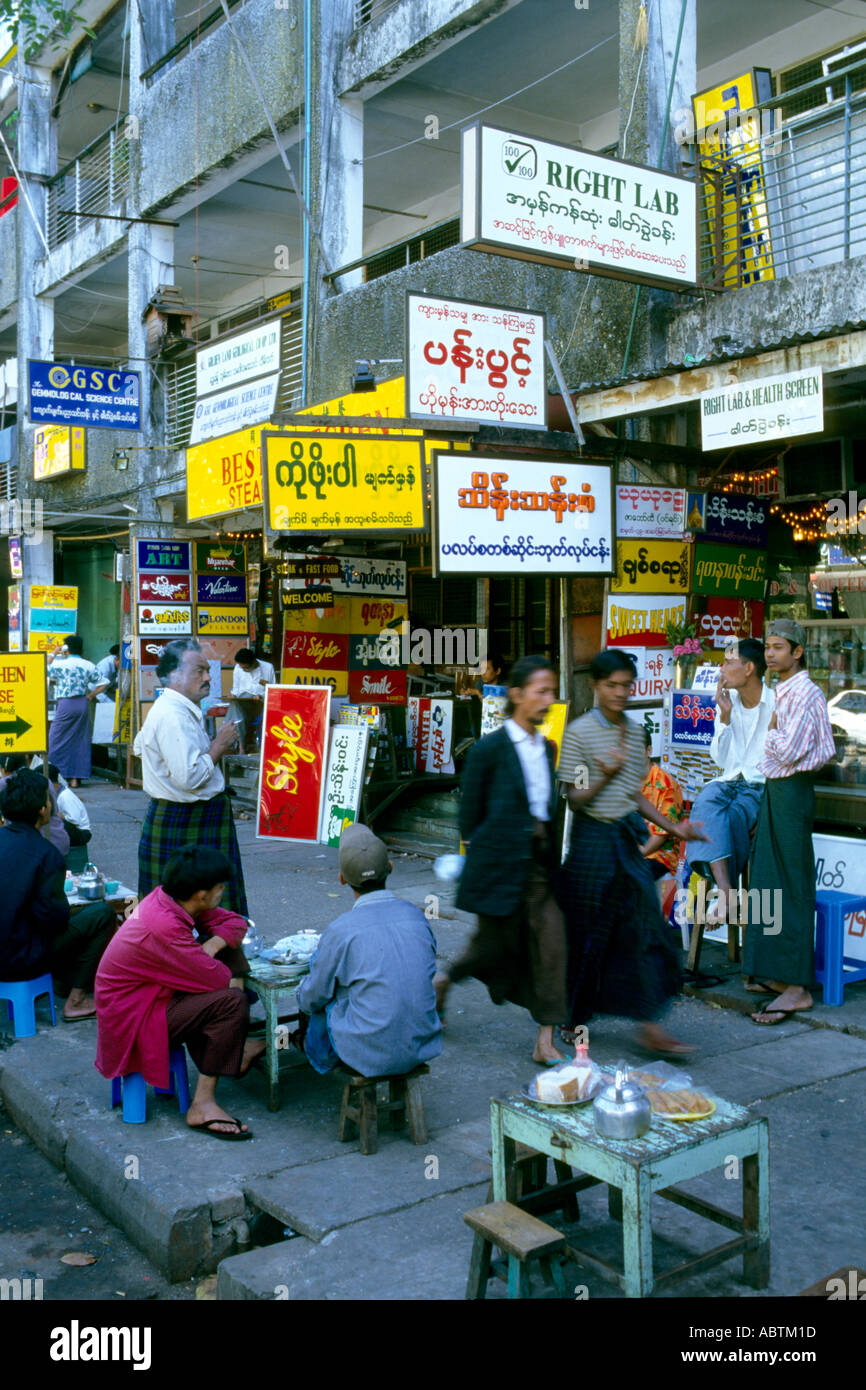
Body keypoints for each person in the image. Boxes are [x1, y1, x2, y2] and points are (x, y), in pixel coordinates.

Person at [558, 650, 709, 1057]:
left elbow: (634, 795)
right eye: (613, 685)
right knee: (590, 936)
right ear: (596, 685)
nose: (621, 693)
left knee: (648, 929)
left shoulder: (634, 729)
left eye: (627, 685)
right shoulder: (580, 733)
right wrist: (603, 774)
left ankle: (649, 1023)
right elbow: (574, 798)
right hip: (592, 842)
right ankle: (574, 1017)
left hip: (626, 839)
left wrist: (675, 826)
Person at [433, 655, 569, 1066]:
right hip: (498, 867)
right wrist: (482, 860)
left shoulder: (546, 749)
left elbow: (547, 808)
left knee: (553, 945)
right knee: (489, 949)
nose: (548, 699)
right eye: (540, 691)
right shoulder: (489, 750)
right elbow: (468, 816)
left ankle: (545, 1041)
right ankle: (444, 979)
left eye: (552, 692)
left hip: (539, 868)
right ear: (517, 694)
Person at [95, 845, 264, 1139]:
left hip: (151, 998)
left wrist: (213, 944)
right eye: (220, 888)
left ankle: (236, 1047)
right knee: (231, 1001)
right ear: (202, 895)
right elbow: (219, 982)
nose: (223, 891)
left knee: (225, 948)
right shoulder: (164, 924)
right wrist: (217, 953)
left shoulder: (169, 899)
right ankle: (203, 1104)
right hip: (133, 1020)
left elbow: (236, 922)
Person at [295, 824, 442, 1077]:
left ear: (342, 879)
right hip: (421, 1045)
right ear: (391, 868)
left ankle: (310, 1051)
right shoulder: (417, 918)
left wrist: (302, 991)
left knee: (322, 996)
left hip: (367, 1055)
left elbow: (312, 999)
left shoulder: (341, 931)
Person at [745, 620, 836, 1025]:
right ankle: (775, 973)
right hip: (776, 787)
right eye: (768, 647)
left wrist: (771, 733)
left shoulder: (806, 693)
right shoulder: (783, 691)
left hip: (793, 789)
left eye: (778, 647)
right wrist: (774, 734)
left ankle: (798, 986)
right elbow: (782, 747)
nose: (770, 654)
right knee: (767, 879)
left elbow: (794, 750)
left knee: (793, 883)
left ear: (797, 651)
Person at [134, 639, 246, 913]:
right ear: (174, 675)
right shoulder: (173, 715)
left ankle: (202, 950)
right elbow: (189, 777)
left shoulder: (175, 710)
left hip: (191, 814)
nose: (208, 677)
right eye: (199, 670)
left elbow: (140, 747)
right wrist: (218, 745)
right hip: (186, 814)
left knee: (184, 906)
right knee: (185, 908)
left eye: (208, 670)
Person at [0, 768, 114, 1020]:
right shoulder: (46, 853)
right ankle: (75, 1000)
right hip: (18, 958)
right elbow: (54, 919)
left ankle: (62, 981)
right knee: (102, 914)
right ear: (43, 810)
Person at [685, 638, 774, 924]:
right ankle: (727, 894)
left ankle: (725, 895)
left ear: (749, 668)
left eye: (728, 663)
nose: (721, 670)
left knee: (732, 817)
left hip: (759, 786)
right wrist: (724, 717)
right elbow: (721, 760)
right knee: (704, 803)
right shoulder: (728, 703)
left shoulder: (775, 703)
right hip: (728, 780)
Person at [47, 634, 108, 786]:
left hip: (65, 704)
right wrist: (91, 695)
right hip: (82, 703)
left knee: (56, 739)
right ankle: (75, 779)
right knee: (80, 740)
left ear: (66, 648)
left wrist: (54, 652)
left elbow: (45, 669)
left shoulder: (60, 664)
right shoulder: (88, 664)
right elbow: (104, 682)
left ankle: (57, 775)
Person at [0, 753, 69, 860]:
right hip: (59, 841)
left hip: (29, 848)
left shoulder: (5, 783)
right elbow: (55, 812)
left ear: (3, 769)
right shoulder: (45, 780)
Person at [639, 727, 687, 881]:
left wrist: (635, 854)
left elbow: (662, 834)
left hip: (658, 855)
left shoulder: (665, 784)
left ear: (649, 750)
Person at [228, 648, 276, 753]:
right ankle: (242, 745)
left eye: (246, 668)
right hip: (242, 702)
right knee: (235, 705)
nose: (243, 670)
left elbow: (273, 690)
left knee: (236, 712)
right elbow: (236, 689)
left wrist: (261, 695)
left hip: (259, 705)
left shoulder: (268, 668)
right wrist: (233, 695)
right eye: (242, 668)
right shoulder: (238, 668)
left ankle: (240, 745)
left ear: (254, 662)